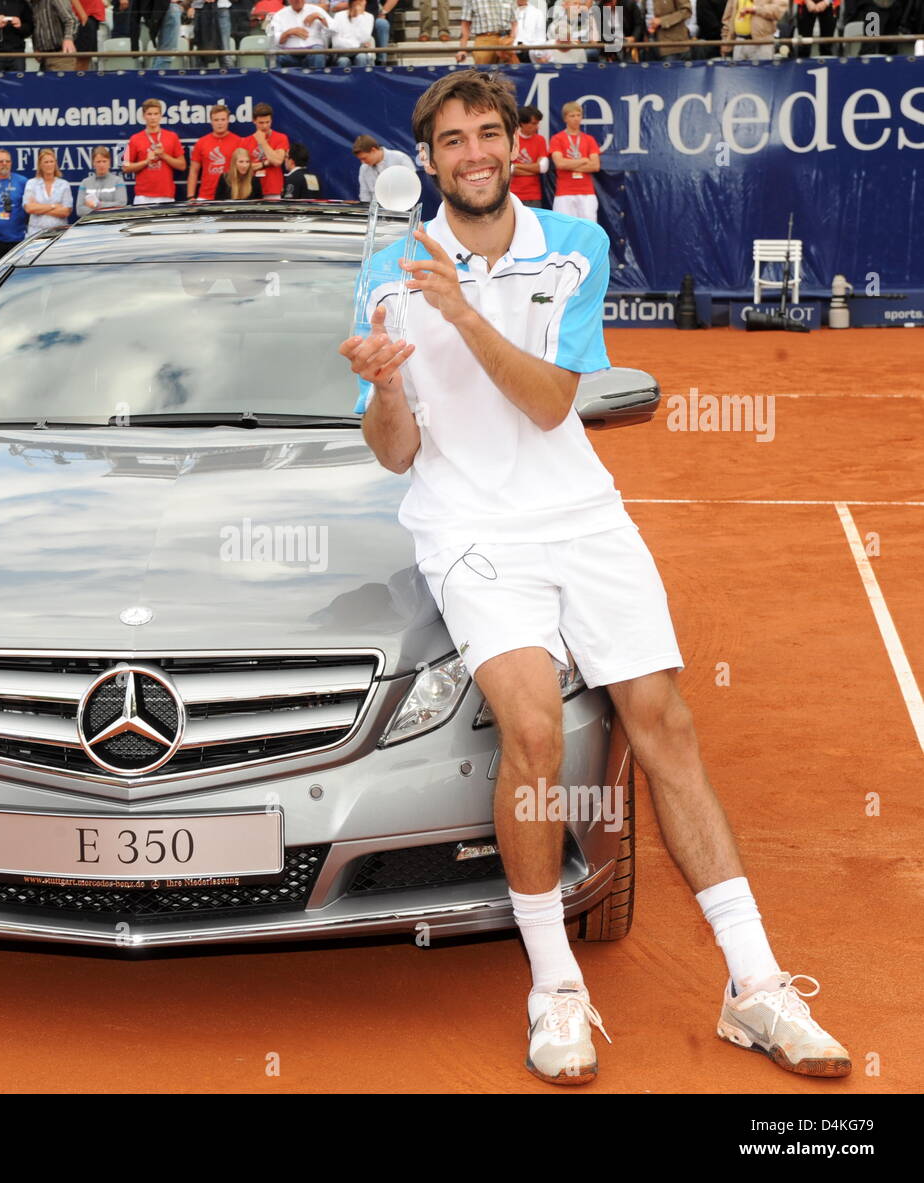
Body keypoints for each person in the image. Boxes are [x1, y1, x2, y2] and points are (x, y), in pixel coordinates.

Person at [339, 68, 851, 1088]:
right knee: (531, 729)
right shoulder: (387, 269)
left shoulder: (572, 247)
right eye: (453, 141)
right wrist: (388, 385)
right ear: (430, 158)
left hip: (580, 517)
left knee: (661, 720)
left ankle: (753, 984)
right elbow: (392, 452)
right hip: (468, 528)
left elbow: (544, 405)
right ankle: (554, 988)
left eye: (490, 134)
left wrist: (466, 312)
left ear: (513, 146)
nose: (475, 154)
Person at [125, 99, 185, 204]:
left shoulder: (172, 137)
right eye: (149, 114)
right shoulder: (134, 138)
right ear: (143, 116)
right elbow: (125, 167)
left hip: (166, 194)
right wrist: (146, 161)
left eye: (156, 114)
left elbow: (182, 165)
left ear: (161, 116)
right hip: (143, 196)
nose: (153, 117)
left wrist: (163, 155)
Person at [548, 100, 600, 222]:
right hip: (564, 192)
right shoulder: (557, 139)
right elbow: (559, 164)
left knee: (589, 229)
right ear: (565, 118)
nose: (576, 119)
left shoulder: (589, 139)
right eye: (572, 116)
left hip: (587, 192)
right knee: (563, 229)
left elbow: (595, 166)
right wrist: (583, 160)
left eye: (578, 115)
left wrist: (569, 164)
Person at [187, 104, 241, 200]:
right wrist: (190, 196)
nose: (220, 123)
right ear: (211, 121)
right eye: (216, 120)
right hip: (205, 196)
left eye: (223, 119)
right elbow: (193, 171)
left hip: (231, 196)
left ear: (228, 120)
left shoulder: (239, 142)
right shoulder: (201, 142)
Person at [242, 102, 289, 198]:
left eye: (268, 122)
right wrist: (265, 163)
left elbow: (277, 161)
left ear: (271, 120)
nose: (264, 126)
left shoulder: (281, 138)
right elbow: (243, 168)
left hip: (273, 190)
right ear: (254, 121)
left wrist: (262, 142)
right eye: (261, 123)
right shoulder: (245, 141)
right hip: (251, 190)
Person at [22, 147, 73, 235]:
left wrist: (38, 207)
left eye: (51, 161)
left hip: (59, 234)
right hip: (35, 234)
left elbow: (66, 211)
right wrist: (54, 206)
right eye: (46, 162)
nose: (49, 164)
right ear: (40, 165)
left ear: (55, 164)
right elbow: (29, 208)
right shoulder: (31, 183)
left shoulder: (64, 184)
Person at [353, 134, 416, 203]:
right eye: (360, 159)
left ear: (373, 150)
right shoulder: (364, 168)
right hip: (376, 211)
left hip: (401, 207)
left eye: (364, 158)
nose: (363, 162)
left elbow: (413, 185)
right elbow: (364, 194)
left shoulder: (400, 158)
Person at [509, 105, 548, 208]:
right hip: (513, 194)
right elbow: (508, 169)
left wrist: (517, 167)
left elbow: (542, 168)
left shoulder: (540, 140)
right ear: (522, 123)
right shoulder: (511, 140)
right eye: (534, 123)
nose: (537, 127)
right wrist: (534, 168)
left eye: (538, 123)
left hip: (533, 195)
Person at [269, 0, 330, 66]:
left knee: (318, 52)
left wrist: (320, 17)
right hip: (289, 54)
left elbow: (334, 30)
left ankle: (318, 76)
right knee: (273, 55)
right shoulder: (279, 14)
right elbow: (274, 40)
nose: (298, 1)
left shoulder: (317, 10)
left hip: (313, 51)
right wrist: (288, 32)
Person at [0, 0, 34, 69]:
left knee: (18, 80)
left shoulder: (22, 3)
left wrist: (20, 26)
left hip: (17, 53)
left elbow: (30, 27)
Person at [75, 147, 128, 216]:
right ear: (93, 163)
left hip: (112, 223)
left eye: (104, 161)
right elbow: (80, 210)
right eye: (98, 162)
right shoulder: (85, 183)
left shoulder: (118, 181)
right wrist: (108, 207)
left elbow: (121, 205)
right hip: (90, 224)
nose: (101, 165)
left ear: (109, 162)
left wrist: (97, 205)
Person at [32, 0, 78, 69]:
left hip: (61, 55)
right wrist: (36, 47)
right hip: (44, 57)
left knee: (62, 79)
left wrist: (68, 39)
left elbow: (71, 20)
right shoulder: (33, 3)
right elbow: (36, 27)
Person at [71, 0, 106, 69]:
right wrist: (83, 15)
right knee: (82, 58)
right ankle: (76, 79)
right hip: (84, 16)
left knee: (86, 57)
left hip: (91, 15)